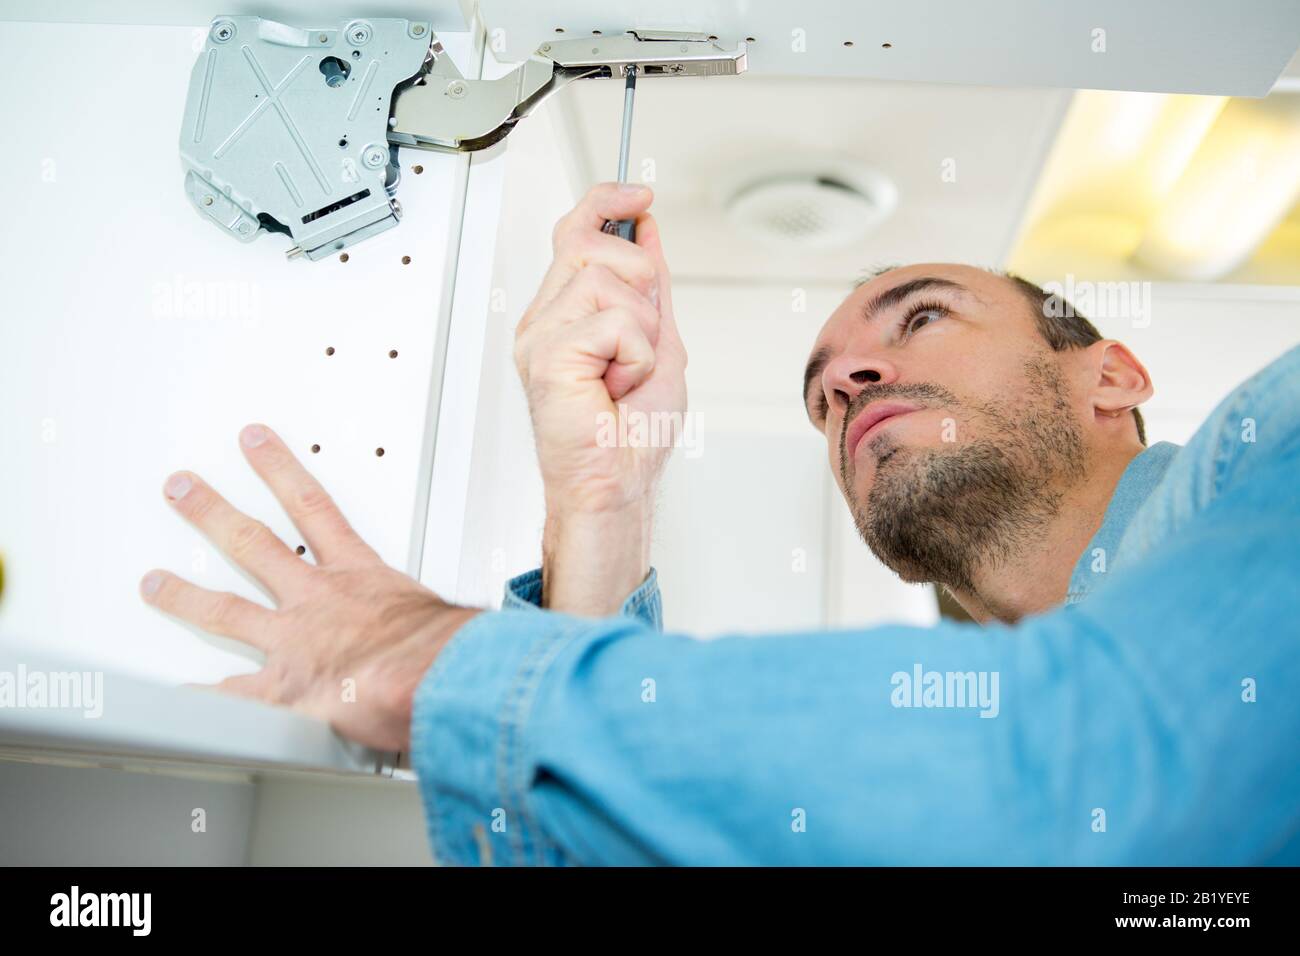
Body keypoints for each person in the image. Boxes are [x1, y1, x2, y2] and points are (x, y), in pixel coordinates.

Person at [140, 184, 1300, 865]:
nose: (846, 375)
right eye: (817, 391)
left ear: (1111, 376)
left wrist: (424, 657)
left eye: (923, 316)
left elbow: (1104, 770)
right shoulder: (929, 746)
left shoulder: (1275, 440)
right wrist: (605, 502)